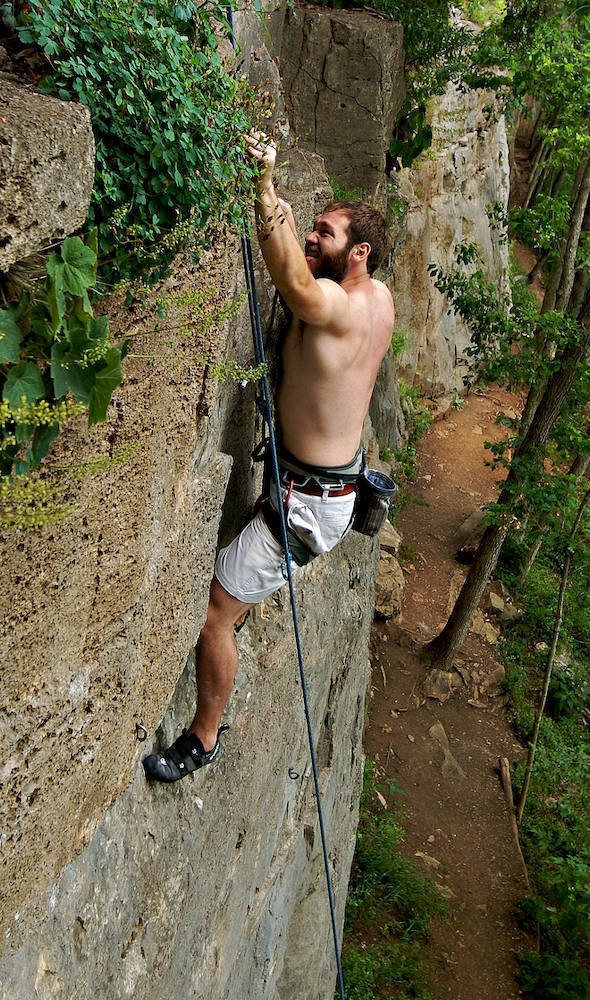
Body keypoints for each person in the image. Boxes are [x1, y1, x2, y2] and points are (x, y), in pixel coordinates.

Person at [143, 133, 395, 782]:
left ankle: (202, 738)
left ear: (358, 253)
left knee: (213, 615)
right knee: (233, 596)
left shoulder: (340, 308)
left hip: (306, 505)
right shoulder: (378, 299)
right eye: (310, 227)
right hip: (322, 489)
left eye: (325, 233)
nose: (311, 237)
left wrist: (263, 192)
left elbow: (300, 291)